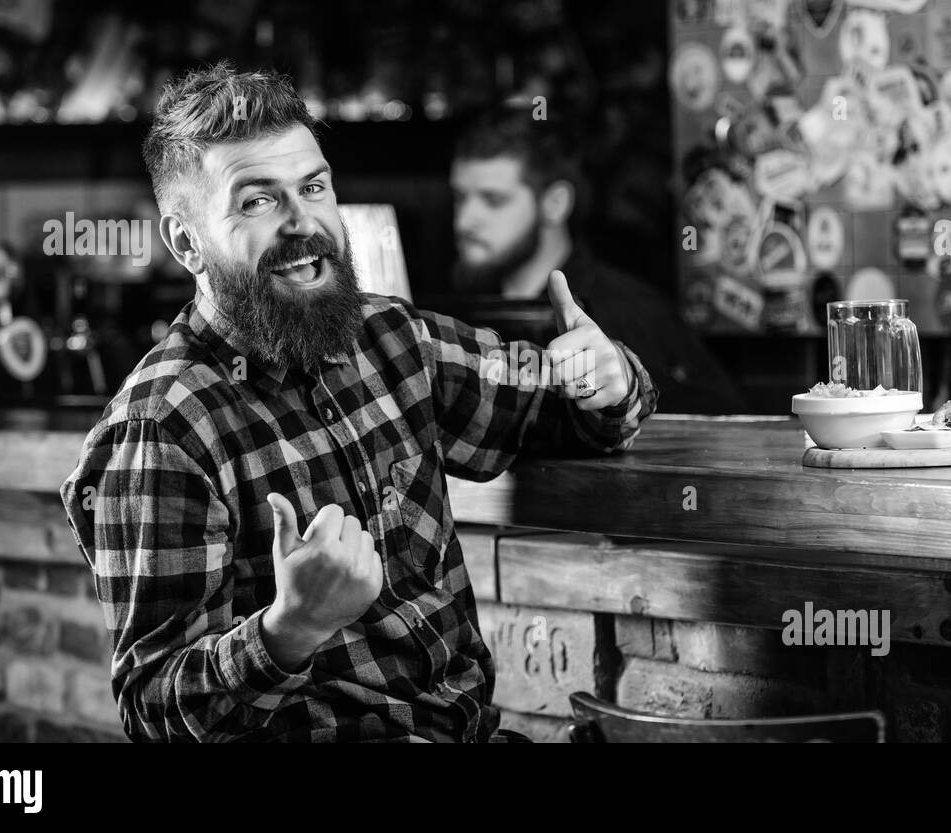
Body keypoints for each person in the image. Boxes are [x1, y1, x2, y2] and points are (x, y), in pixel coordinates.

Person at [59, 63, 658, 743]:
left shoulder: (393, 338)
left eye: (313, 187)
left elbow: (559, 407)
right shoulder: (160, 427)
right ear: (186, 241)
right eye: (257, 201)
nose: (300, 222)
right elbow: (154, 713)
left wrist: (607, 380)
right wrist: (288, 631)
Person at [447, 106, 747, 414]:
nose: (464, 222)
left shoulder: (632, 314)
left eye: (493, 200)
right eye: (460, 198)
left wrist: (628, 388)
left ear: (555, 203)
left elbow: (722, 428)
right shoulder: (454, 314)